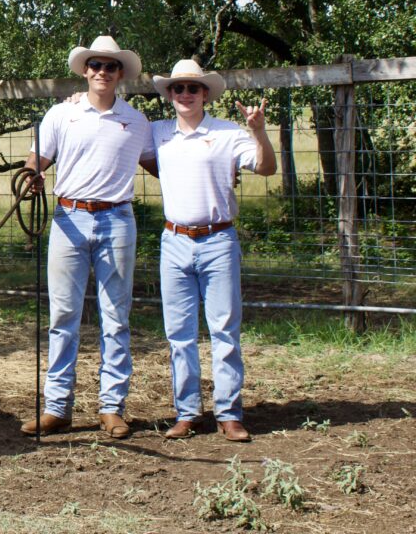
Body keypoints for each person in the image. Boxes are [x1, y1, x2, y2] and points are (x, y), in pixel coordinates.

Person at [21, 36, 154, 439]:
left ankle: (111, 407)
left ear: (120, 74)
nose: (102, 71)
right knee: (63, 316)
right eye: (95, 64)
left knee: (116, 315)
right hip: (69, 217)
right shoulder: (60, 115)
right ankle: (57, 407)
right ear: (85, 70)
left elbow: (159, 163)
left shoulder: (137, 121)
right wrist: (32, 176)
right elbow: (37, 159)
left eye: (110, 66)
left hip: (117, 219)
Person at [148, 59, 276, 442]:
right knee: (180, 334)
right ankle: (187, 412)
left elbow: (266, 168)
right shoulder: (156, 132)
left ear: (206, 93)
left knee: (223, 329)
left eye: (192, 88)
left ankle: (229, 413)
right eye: (177, 88)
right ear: (169, 95)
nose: (184, 94)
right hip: (174, 241)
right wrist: (75, 100)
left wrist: (259, 131)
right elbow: (115, 134)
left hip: (218, 240)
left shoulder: (228, 132)